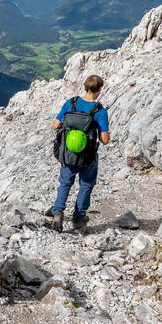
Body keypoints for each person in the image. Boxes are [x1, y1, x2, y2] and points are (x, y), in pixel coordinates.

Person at [46, 74, 110, 231]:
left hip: (68, 154)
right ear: (99, 90)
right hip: (87, 156)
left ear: (86, 87)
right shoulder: (99, 111)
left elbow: (55, 125)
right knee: (86, 184)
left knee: (65, 183)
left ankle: (58, 212)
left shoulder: (71, 103)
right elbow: (105, 139)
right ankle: (79, 216)